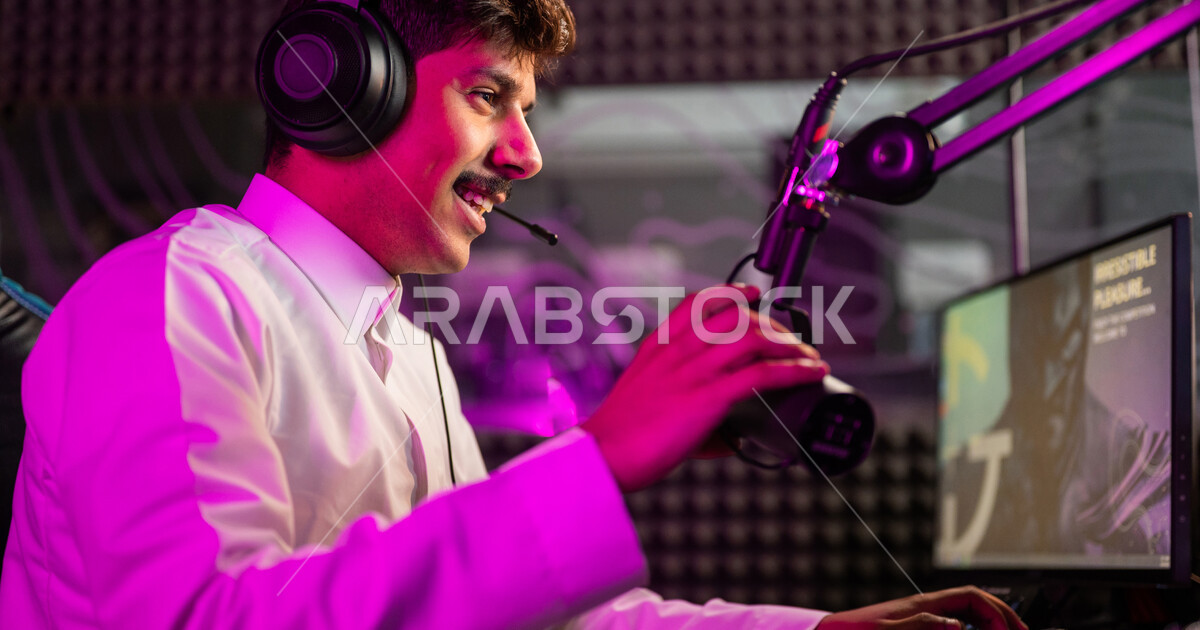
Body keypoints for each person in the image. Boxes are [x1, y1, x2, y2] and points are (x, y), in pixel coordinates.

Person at [0, 1, 1028, 628]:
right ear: (343, 90)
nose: (528, 154)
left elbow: (506, 611)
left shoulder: (404, 347)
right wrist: (602, 453)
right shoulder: (170, 295)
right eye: (492, 97)